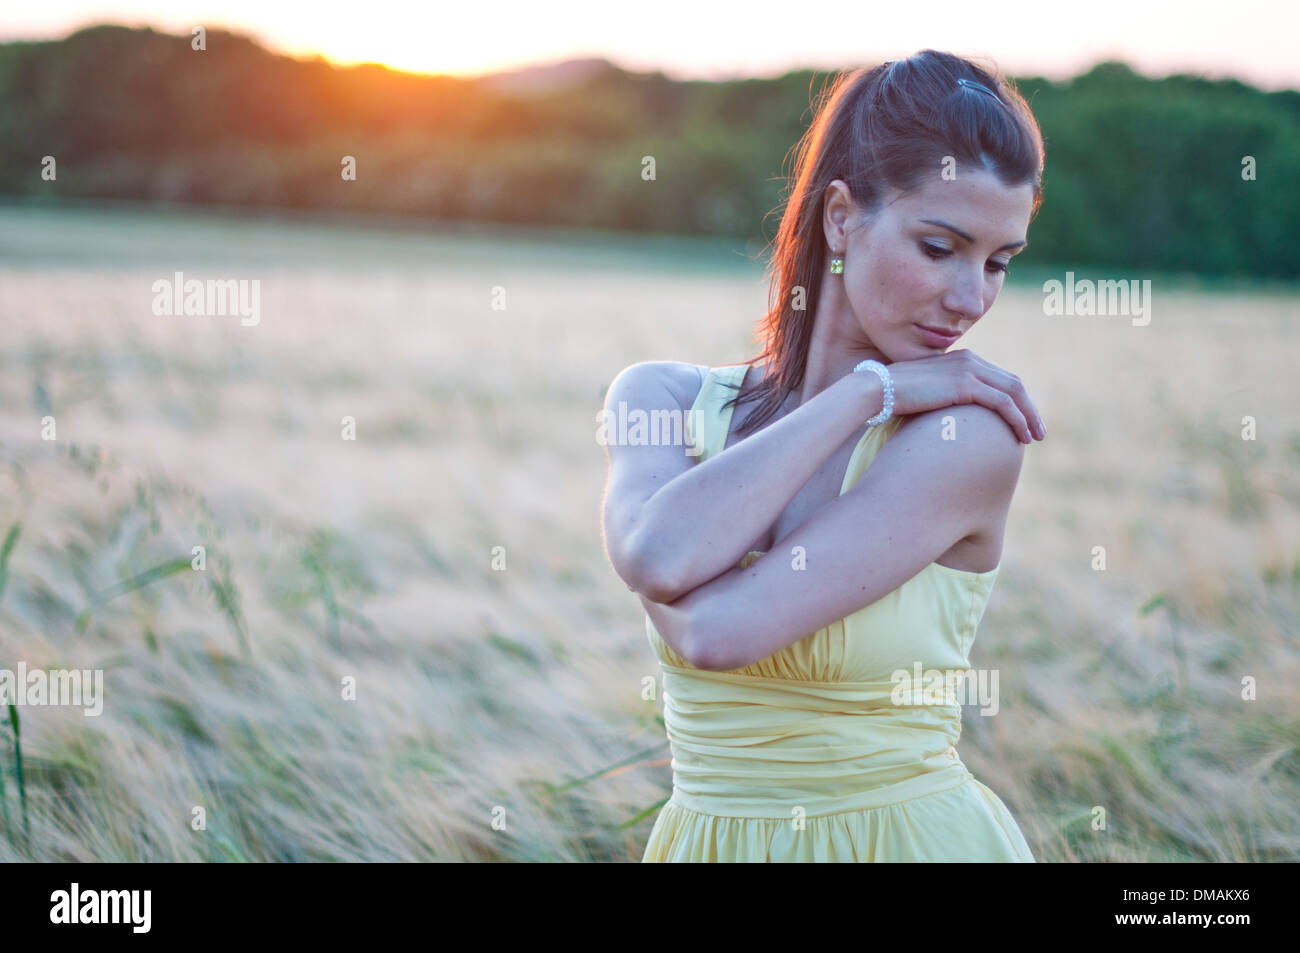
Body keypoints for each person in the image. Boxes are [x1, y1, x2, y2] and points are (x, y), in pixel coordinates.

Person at [600, 50, 1048, 861]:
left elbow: (712, 633)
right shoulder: (658, 401)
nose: (971, 299)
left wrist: (880, 396)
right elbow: (660, 553)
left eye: (998, 263)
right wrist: (865, 393)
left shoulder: (965, 441)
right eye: (941, 247)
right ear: (841, 217)